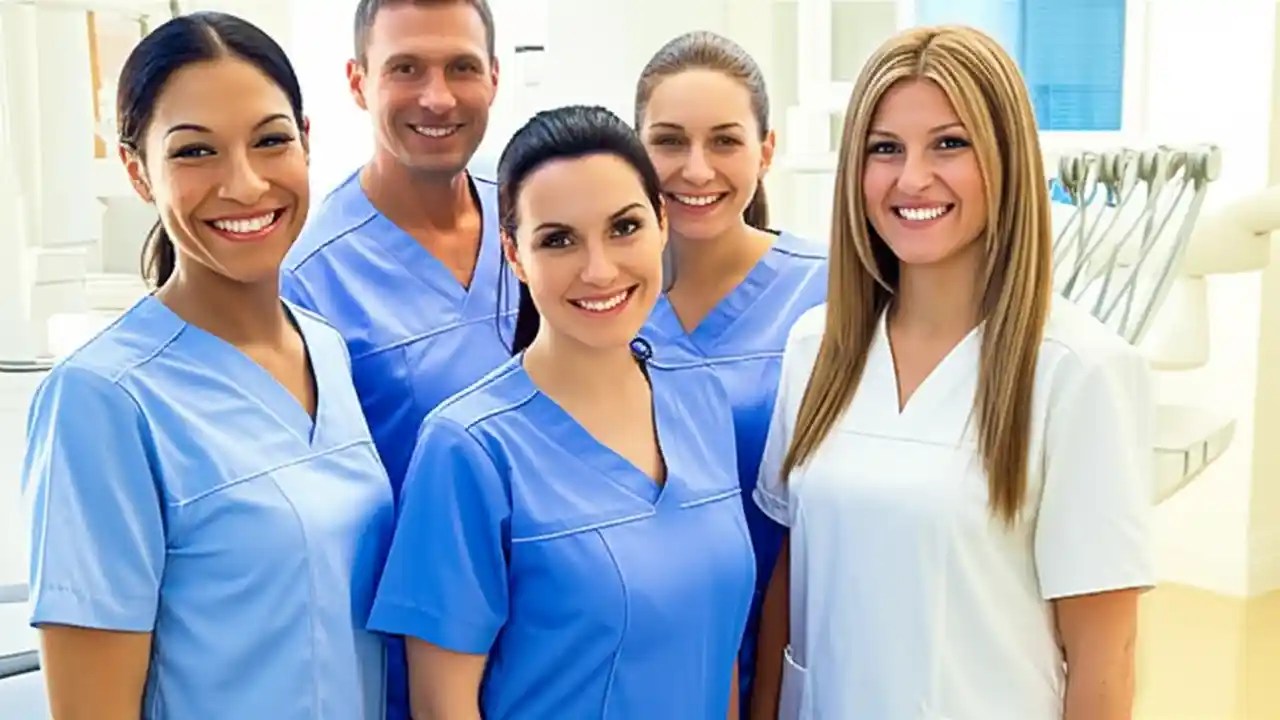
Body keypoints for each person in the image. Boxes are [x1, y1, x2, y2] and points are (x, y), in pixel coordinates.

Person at [749, 25, 1155, 720]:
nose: (912, 179)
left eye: (949, 143)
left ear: (1006, 159)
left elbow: (1104, 657)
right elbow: (792, 580)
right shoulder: (817, 347)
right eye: (885, 148)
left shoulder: (1077, 372)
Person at [20, 12, 393, 720]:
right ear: (138, 172)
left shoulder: (326, 350)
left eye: (271, 140)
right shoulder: (103, 401)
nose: (245, 185)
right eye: (195, 152)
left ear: (306, 140)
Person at [366, 105, 756, 719]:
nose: (599, 270)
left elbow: (715, 647)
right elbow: (443, 705)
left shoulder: (702, 399)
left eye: (624, 227)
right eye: (558, 240)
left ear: (661, 222)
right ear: (514, 254)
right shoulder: (469, 447)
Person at [632, 30, 827, 709]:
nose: (696, 169)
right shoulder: (597, 300)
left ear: (766, 151)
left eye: (724, 141)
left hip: (796, 655)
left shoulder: (832, 293)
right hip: (640, 661)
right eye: (669, 141)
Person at [279, 0, 513, 494]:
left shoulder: (531, 210)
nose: (438, 98)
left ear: (493, 77)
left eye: (462, 67)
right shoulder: (311, 280)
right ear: (358, 82)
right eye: (406, 68)